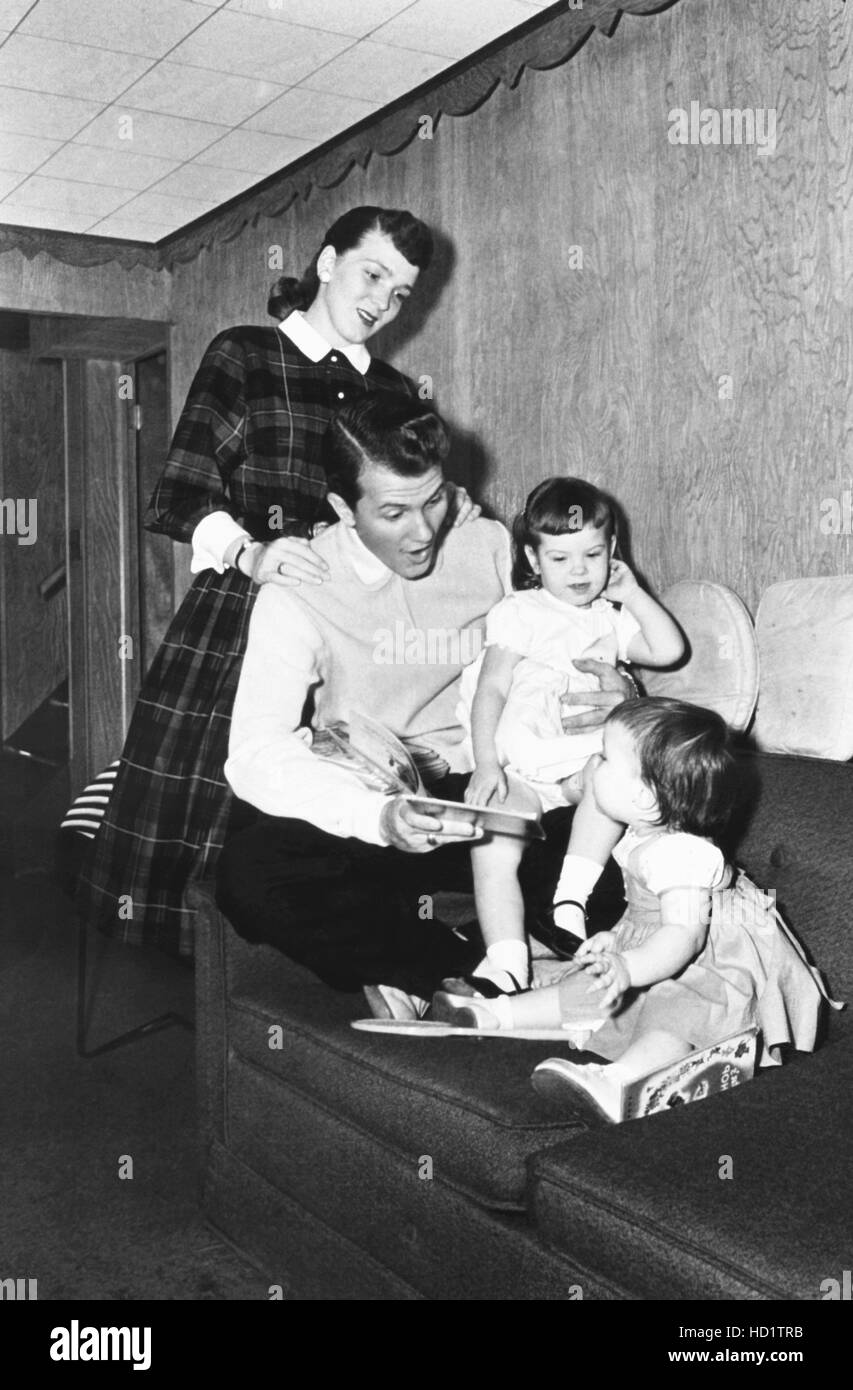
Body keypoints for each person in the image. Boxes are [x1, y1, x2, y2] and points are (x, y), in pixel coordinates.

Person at [73, 206, 479, 957]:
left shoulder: (389, 387)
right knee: (218, 799)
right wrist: (253, 554)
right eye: (373, 275)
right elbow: (180, 493)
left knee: (332, 808)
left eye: (401, 292)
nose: (384, 301)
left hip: (352, 621)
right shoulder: (246, 355)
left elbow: (400, 504)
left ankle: (299, 964)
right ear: (326, 264)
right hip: (244, 608)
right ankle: (194, 963)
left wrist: (450, 512)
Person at [216, 393, 638, 1015]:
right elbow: (254, 750)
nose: (422, 533)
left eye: (434, 499)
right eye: (393, 512)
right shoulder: (299, 588)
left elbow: (569, 626)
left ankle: (461, 965)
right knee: (252, 877)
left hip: (484, 792)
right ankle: (466, 970)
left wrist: (622, 693)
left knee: (619, 881)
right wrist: (376, 816)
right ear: (341, 508)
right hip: (374, 805)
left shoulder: (487, 544)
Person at [433, 698, 839, 1121]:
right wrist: (618, 942)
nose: (594, 763)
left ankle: (624, 1080)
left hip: (709, 957)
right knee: (589, 991)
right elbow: (643, 908)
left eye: (605, 757)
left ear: (644, 796)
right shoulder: (641, 827)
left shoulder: (681, 853)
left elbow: (685, 937)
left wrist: (629, 967)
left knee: (675, 1011)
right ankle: (494, 1015)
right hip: (655, 936)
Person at [447, 478, 683, 998]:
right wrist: (486, 765)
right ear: (533, 559)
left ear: (612, 552)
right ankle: (505, 957)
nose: (579, 571)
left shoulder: (610, 618)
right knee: (493, 838)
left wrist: (634, 593)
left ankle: (569, 900)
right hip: (524, 765)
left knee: (606, 778)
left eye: (592, 554)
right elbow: (491, 691)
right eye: (560, 558)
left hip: (579, 763)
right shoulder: (519, 612)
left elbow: (668, 650)